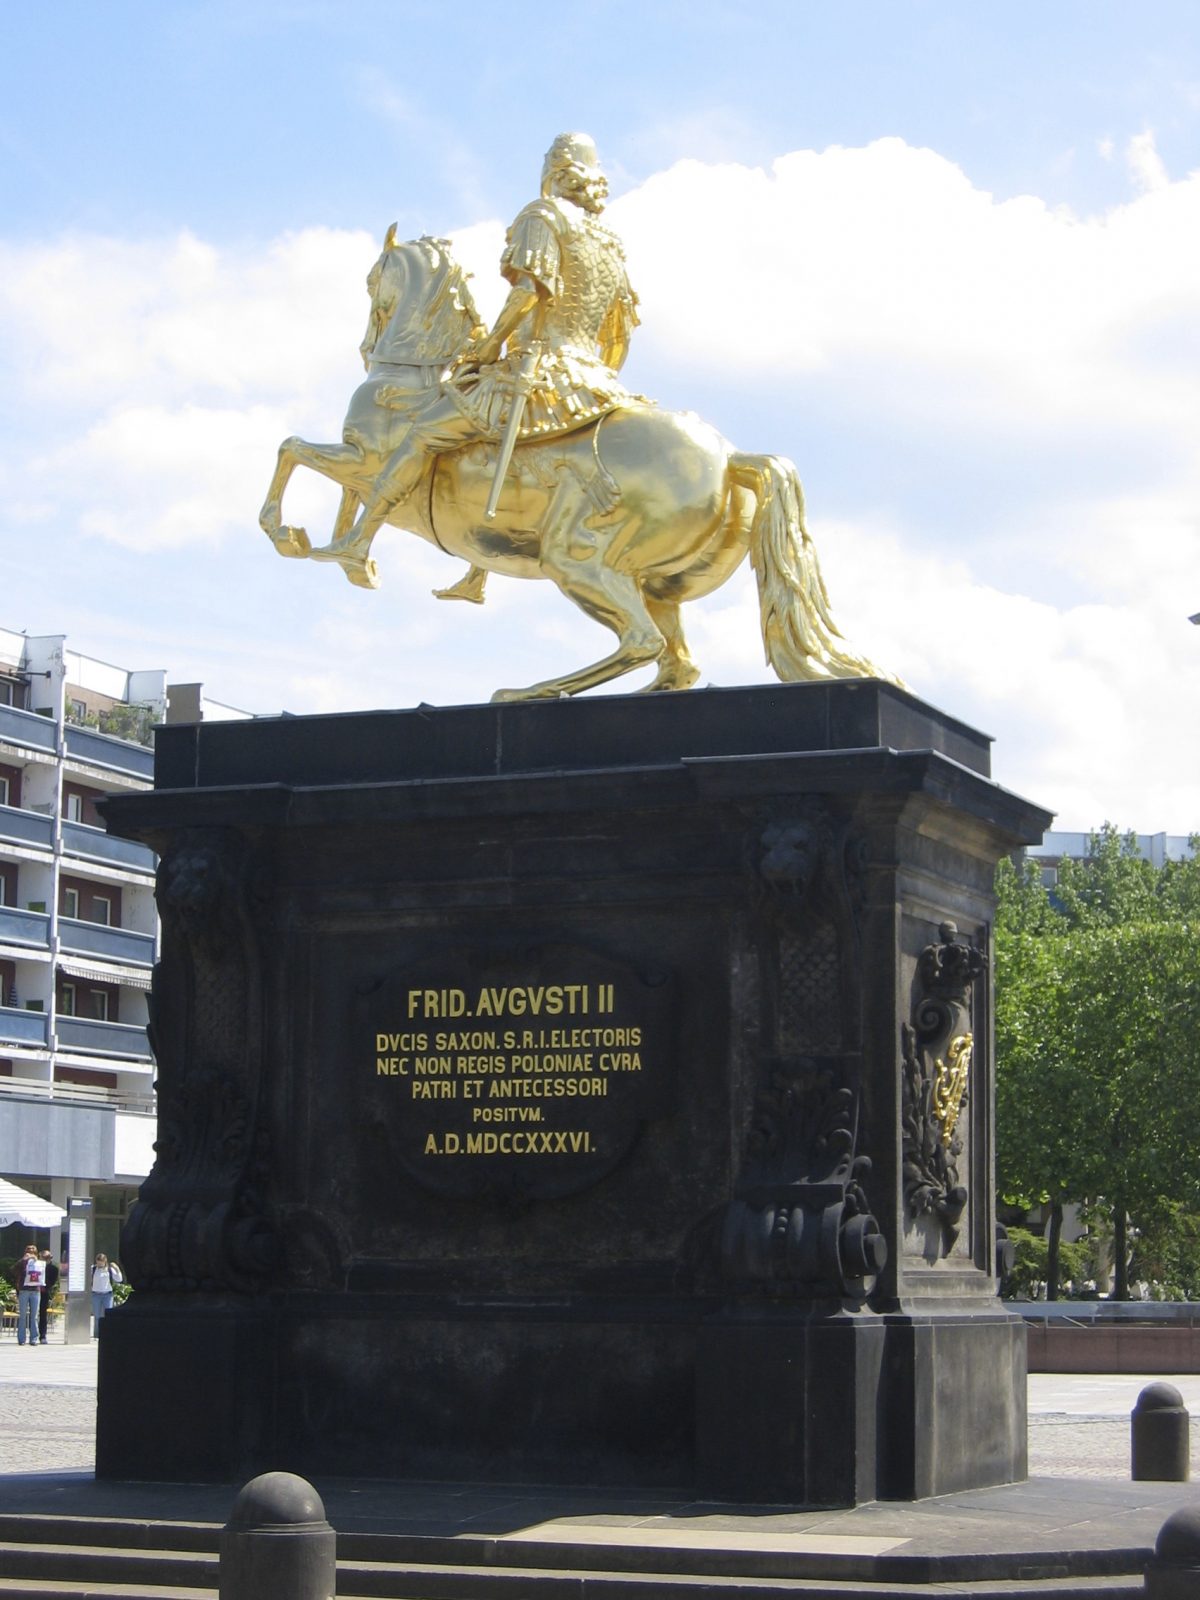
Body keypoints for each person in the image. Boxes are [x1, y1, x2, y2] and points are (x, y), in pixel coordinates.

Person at [338, 132, 641, 579]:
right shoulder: (611, 244)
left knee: (424, 434)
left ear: (556, 173)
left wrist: (491, 343)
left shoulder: (543, 216)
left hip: (540, 367)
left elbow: (528, 290)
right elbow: (620, 334)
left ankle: (358, 540)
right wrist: (601, 382)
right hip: (594, 383)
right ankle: (475, 573)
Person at [14, 1244, 45, 1347]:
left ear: (36, 1253)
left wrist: (36, 1260)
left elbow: (43, 1274)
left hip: (35, 1291)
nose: (30, 1253)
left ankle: (34, 1339)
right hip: (24, 1290)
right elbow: (14, 1270)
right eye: (28, 1251)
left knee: (34, 1316)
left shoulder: (39, 1263)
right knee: (23, 1315)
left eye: (32, 1252)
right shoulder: (23, 1262)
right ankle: (21, 1339)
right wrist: (23, 1260)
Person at [91, 1252, 123, 1335]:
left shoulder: (109, 1270)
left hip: (107, 1295)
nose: (99, 1264)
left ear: (105, 1261)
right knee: (97, 1316)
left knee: (108, 1314)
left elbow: (119, 1279)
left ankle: (108, 1332)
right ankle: (97, 1333)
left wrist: (117, 1269)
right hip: (96, 1294)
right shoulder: (93, 1269)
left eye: (101, 1262)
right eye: (98, 1262)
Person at [36, 1249, 60, 1346]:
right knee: (33, 1314)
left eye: (48, 1258)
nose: (45, 1260)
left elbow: (52, 1282)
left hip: (44, 1293)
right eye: (43, 1258)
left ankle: (42, 1335)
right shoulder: (36, 1266)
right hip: (34, 1291)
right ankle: (33, 1335)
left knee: (42, 1314)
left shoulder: (53, 1268)